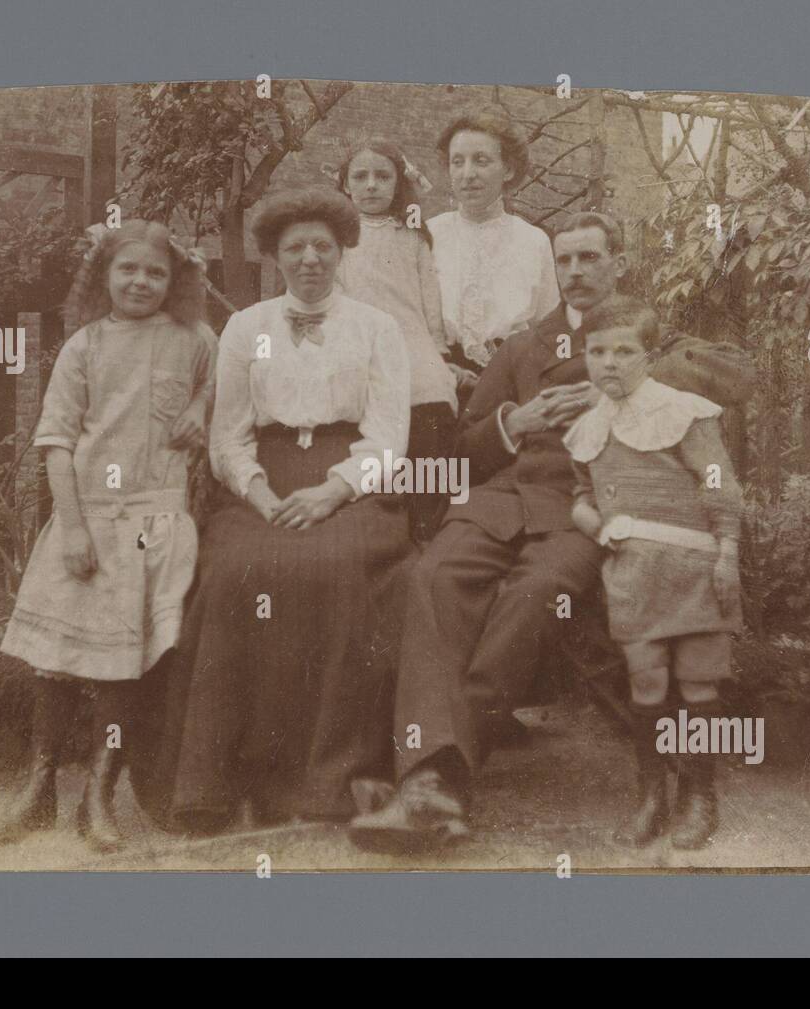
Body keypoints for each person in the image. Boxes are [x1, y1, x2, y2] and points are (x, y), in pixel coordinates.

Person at [349, 211, 755, 853]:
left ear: (618, 262)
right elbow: (467, 450)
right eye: (564, 261)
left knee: (535, 596)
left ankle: (435, 774)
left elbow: (729, 383)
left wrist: (621, 391)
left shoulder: (650, 336)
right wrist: (517, 417)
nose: (576, 272)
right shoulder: (521, 346)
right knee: (432, 579)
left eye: (590, 258)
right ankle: (430, 774)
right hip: (501, 502)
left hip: (587, 508)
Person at [134, 188, 413, 834]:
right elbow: (228, 431)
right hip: (263, 478)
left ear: (342, 252)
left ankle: (324, 779)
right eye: (296, 248)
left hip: (355, 479)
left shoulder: (377, 328)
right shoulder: (247, 328)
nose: (310, 259)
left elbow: (390, 433)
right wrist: (260, 494)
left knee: (339, 568)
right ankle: (221, 778)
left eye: (323, 246)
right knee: (237, 570)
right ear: (276, 257)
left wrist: (333, 491)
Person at [0, 219, 215, 852]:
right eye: (128, 270)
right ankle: (37, 789)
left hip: (154, 524)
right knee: (55, 665)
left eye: (156, 273)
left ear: (176, 282)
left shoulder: (195, 339)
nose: (141, 281)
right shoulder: (84, 346)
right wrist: (71, 528)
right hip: (86, 519)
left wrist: (199, 407)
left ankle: (99, 795)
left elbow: (220, 391)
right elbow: (56, 442)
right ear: (103, 275)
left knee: (124, 669)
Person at [567, 296, 742, 849]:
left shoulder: (683, 411)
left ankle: (698, 795)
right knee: (645, 680)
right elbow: (579, 494)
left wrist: (729, 550)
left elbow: (718, 483)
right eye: (597, 352)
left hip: (695, 564)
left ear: (648, 356)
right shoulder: (587, 427)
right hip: (633, 571)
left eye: (625, 351)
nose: (610, 363)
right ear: (585, 357)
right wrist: (596, 526)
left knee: (697, 679)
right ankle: (651, 796)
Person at [334, 139, 471, 541]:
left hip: (415, 350)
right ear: (344, 185)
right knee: (376, 450)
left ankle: (428, 531)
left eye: (383, 176)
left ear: (398, 184)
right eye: (360, 176)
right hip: (361, 350)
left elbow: (430, 302)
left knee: (431, 423)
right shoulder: (337, 239)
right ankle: (385, 535)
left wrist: (442, 356)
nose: (371, 185)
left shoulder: (412, 235)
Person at [428, 111, 560, 374]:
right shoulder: (429, 234)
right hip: (440, 374)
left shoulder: (534, 241)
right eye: (457, 162)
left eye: (481, 161)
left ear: (508, 169)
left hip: (513, 375)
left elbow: (548, 327)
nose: (467, 174)